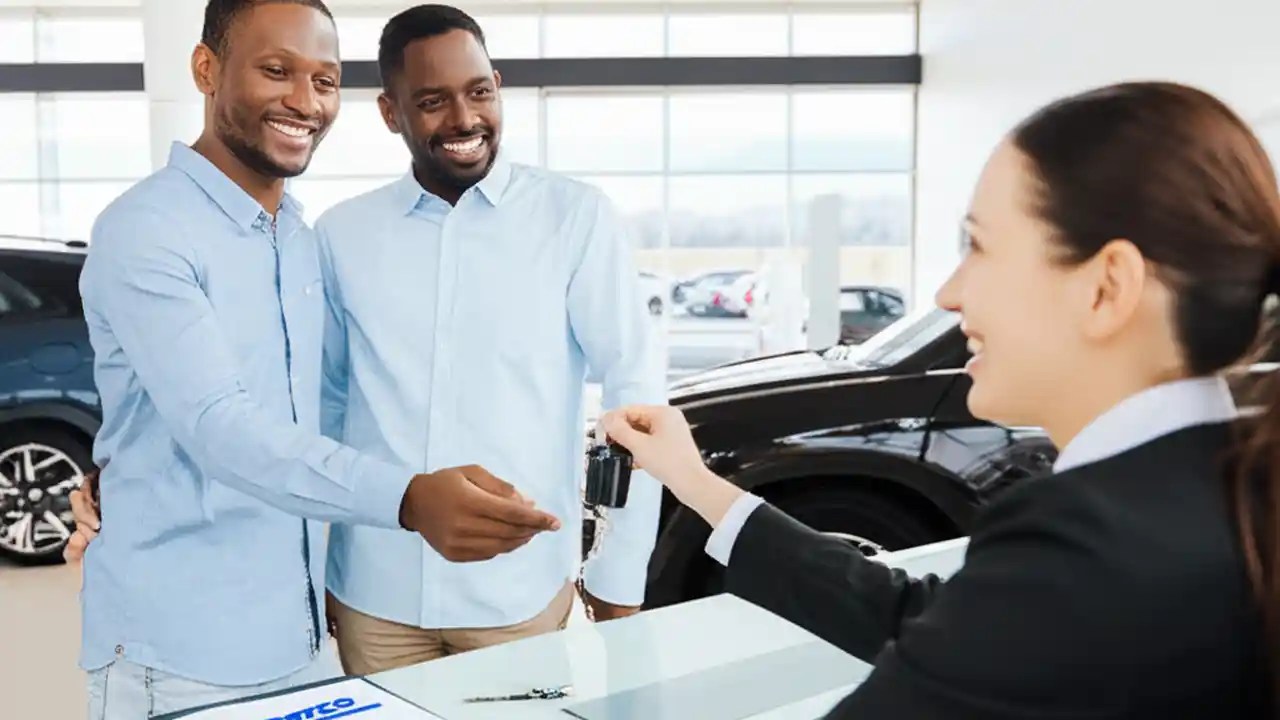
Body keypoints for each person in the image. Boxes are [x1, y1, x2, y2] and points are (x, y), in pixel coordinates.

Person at [602, 81, 1275, 718]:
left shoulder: (1082, 548)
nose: (949, 293)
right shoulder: (1231, 494)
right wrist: (695, 482)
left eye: (977, 246)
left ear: (1106, 288)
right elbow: (928, 623)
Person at [73, 1, 558, 716]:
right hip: (177, 656)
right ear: (207, 70)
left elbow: (318, 408)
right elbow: (220, 426)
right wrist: (409, 498)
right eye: (277, 71)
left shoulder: (298, 236)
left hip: (300, 646)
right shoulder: (146, 231)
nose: (306, 102)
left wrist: (113, 473)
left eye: (325, 80)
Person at [314, 5, 664, 675]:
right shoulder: (342, 235)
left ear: (497, 85)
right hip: (374, 596)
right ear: (392, 113)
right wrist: (316, 567)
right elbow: (324, 409)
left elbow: (635, 393)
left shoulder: (574, 218)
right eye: (433, 101)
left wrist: (620, 571)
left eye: (478, 91)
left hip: (518, 597)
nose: (464, 119)